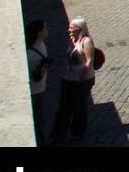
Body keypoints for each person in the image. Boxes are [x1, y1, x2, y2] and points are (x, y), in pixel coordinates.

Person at [50, 17, 96, 144]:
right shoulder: (72, 40)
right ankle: (58, 135)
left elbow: (89, 61)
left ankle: (78, 131)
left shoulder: (86, 41)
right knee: (64, 108)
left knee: (79, 107)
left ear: (79, 29)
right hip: (68, 80)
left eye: (71, 28)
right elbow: (67, 58)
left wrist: (82, 76)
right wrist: (63, 73)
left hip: (82, 82)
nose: (69, 30)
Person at [27, 19, 50, 147]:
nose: (47, 30)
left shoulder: (41, 45)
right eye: (45, 28)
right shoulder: (29, 53)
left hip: (40, 89)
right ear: (39, 32)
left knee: (40, 119)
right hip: (33, 91)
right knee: (38, 120)